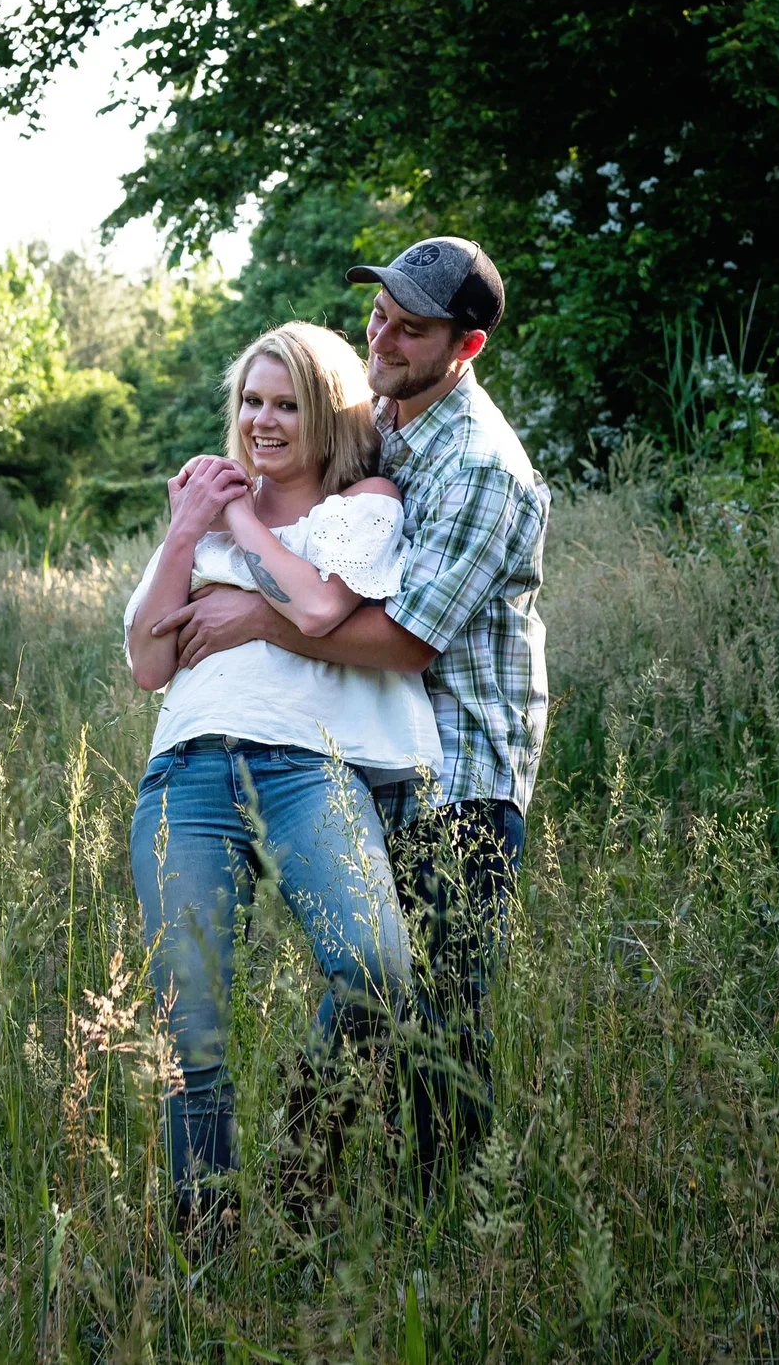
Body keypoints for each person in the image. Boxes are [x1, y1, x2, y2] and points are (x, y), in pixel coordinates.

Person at [152, 237, 548, 1179]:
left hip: (463, 773)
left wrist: (257, 616)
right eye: (379, 314)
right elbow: (301, 466)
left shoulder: (484, 466)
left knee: (440, 1018)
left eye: (411, 329)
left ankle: (433, 1218)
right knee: (370, 988)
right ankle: (307, 1190)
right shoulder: (383, 421)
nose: (384, 336)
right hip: (372, 752)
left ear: (467, 347)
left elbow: (408, 640)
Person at [123, 322, 441, 1231]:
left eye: (286, 403)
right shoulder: (201, 511)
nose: (262, 421)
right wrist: (186, 527)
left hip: (309, 770)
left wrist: (230, 517)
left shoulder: (361, 501)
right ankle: (208, 1247)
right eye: (250, 402)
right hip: (187, 769)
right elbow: (148, 662)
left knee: (375, 972)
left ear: (327, 411)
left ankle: (302, 1179)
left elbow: (314, 603)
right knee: (192, 1030)